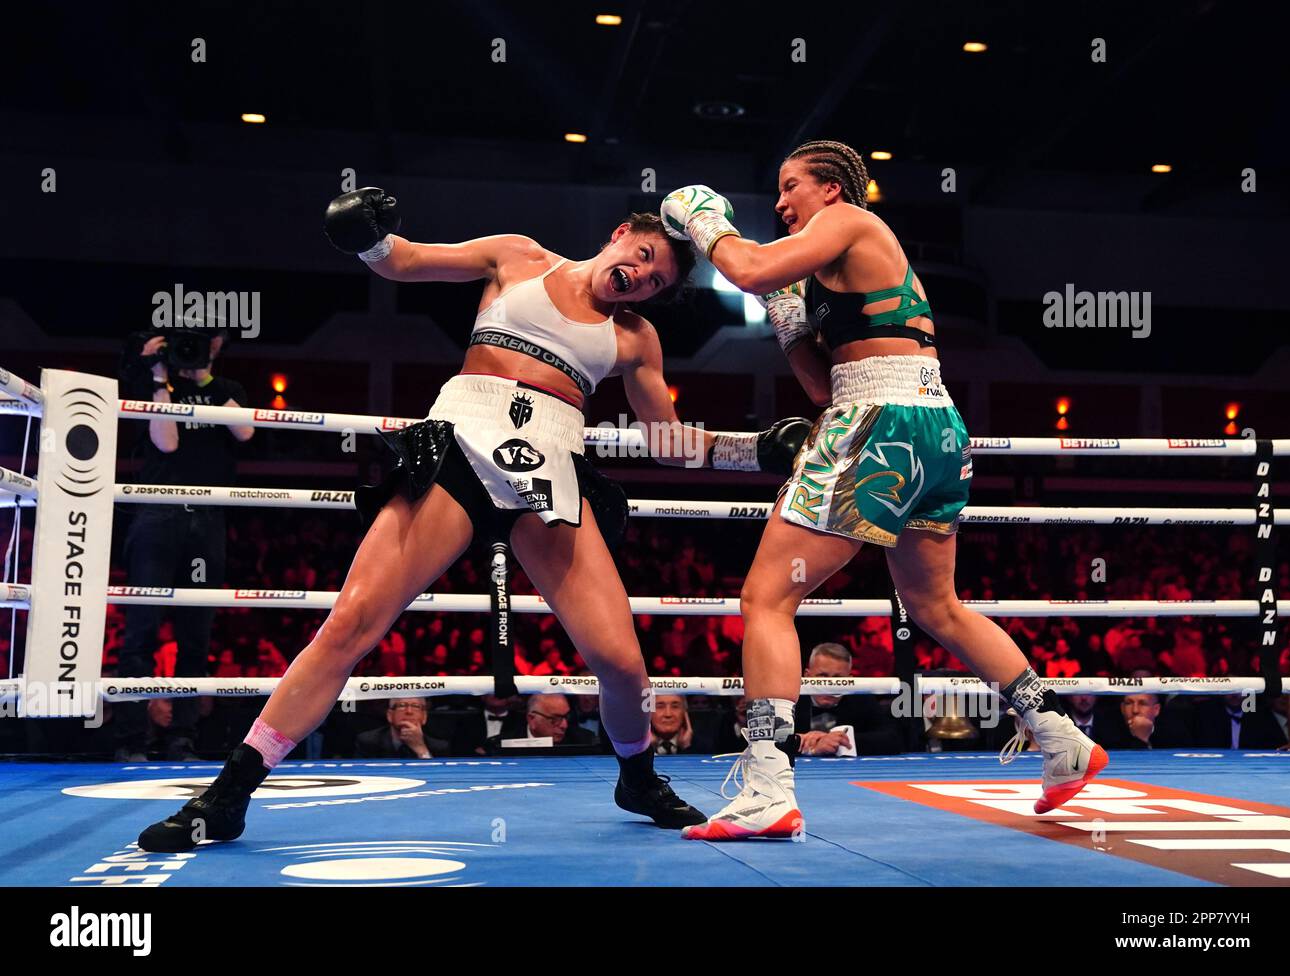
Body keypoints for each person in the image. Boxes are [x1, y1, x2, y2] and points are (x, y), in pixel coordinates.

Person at [137, 188, 808, 852]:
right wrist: (368, 235)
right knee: (350, 623)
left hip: (550, 470)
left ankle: (637, 778)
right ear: (617, 236)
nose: (640, 278)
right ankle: (229, 794)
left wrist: (752, 452)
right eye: (643, 256)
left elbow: (667, 440)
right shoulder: (518, 258)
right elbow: (406, 260)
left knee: (622, 662)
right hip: (460, 445)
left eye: (656, 281)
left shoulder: (636, 338)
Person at [662, 142, 1107, 840]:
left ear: (834, 188)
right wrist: (789, 325)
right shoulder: (836, 263)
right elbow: (821, 386)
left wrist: (703, 216)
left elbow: (745, 266)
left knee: (766, 598)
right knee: (936, 605)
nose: (781, 203)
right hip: (933, 426)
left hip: (880, 422)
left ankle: (768, 787)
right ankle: (1061, 736)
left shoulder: (852, 223)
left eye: (791, 187)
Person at [114, 329, 253, 762]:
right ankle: (132, 738)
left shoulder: (227, 390)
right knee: (142, 631)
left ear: (217, 348)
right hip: (159, 514)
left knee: (196, 634)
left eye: (203, 344)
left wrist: (203, 382)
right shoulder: (151, 385)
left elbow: (245, 431)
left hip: (206, 518)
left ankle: (183, 736)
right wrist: (159, 375)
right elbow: (165, 442)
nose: (191, 352)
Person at [794, 642, 901, 755]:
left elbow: (893, 739)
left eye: (838, 679)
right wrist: (800, 742)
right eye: (822, 677)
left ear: (850, 681)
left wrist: (839, 740)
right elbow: (775, 741)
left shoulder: (861, 699)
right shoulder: (790, 700)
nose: (829, 686)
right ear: (807, 676)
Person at [353, 698, 450, 759]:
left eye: (415, 706)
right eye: (402, 706)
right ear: (390, 715)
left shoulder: (439, 746)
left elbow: (438, 778)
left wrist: (420, 748)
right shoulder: (368, 742)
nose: (409, 711)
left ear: (424, 717)